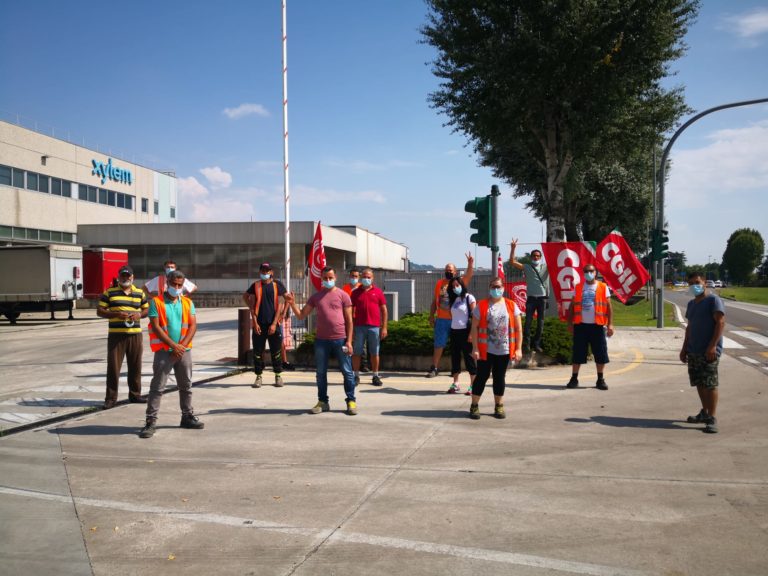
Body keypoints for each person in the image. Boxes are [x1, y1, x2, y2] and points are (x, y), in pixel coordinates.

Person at [139, 270, 204, 438]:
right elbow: (156, 327)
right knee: (157, 387)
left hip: (184, 351)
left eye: (179, 285)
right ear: (167, 283)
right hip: (164, 351)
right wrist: (173, 346)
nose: (176, 287)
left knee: (186, 386)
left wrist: (181, 347)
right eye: (174, 284)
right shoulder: (156, 302)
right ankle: (150, 421)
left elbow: (193, 326)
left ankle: (187, 416)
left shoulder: (188, 303)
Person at [285, 267, 356, 415]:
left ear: (335, 278)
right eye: (325, 278)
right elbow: (301, 315)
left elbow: (349, 320)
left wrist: (349, 341)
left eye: (330, 277)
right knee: (321, 373)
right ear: (321, 279)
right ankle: (323, 402)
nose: (328, 280)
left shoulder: (343, 295)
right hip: (321, 341)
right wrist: (292, 303)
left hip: (340, 339)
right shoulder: (316, 297)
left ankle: (351, 401)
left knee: (347, 372)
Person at [469, 277, 523, 419]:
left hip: (504, 350)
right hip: (485, 350)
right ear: (489, 288)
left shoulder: (511, 305)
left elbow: (518, 329)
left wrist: (518, 349)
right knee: (482, 377)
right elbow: (474, 327)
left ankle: (499, 406)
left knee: (499, 378)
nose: (496, 289)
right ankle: (474, 405)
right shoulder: (482, 305)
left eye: (498, 287)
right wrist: (475, 348)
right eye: (493, 287)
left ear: (503, 288)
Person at [96, 265, 149, 409]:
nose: (125, 278)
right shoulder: (110, 292)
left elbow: (146, 309)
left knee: (135, 366)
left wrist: (139, 315)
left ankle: (135, 395)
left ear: (132, 277)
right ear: (118, 277)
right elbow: (100, 311)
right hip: (116, 335)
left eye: (128, 276)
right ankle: (111, 398)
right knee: (113, 368)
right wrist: (116, 314)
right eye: (123, 276)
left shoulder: (139, 293)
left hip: (135, 335)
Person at [679, 271, 725, 434]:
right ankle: (704, 412)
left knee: (710, 384)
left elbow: (720, 323)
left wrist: (712, 346)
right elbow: (690, 327)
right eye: (691, 283)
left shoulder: (713, 300)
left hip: (708, 351)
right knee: (699, 382)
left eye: (697, 282)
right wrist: (684, 348)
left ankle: (712, 417)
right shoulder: (691, 304)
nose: (694, 286)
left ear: (705, 283)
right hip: (694, 350)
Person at [566, 264, 614, 390]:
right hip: (581, 326)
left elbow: (609, 306)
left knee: (600, 353)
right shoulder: (578, 287)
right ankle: (574, 379)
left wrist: (610, 324)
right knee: (578, 353)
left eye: (591, 271)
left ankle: (600, 379)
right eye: (586, 271)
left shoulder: (603, 287)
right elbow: (572, 306)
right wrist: (569, 323)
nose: (589, 273)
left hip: (597, 326)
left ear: (595, 272)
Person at [426, 252, 474, 378]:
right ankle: (434, 368)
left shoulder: (459, 283)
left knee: (458, 347)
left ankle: (456, 370)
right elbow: (435, 301)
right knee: (439, 344)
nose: (448, 272)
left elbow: (469, 275)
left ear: (455, 272)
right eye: (447, 270)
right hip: (441, 319)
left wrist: (470, 264)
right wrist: (431, 316)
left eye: (451, 270)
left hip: (456, 321)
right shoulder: (439, 284)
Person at [243, 263, 287, 388]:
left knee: (276, 352)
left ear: (271, 272)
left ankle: (278, 376)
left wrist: (275, 323)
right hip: (259, 324)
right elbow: (247, 299)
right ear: (259, 272)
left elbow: (282, 303)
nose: (265, 273)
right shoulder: (255, 285)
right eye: (263, 271)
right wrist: (255, 322)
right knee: (257, 352)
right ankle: (258, 376)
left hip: (274, 324)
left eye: (267, 271)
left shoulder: (277, 285)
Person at [509, 239, 549, 353]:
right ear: (531, 257)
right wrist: (513, 248)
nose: (536, 257)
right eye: (534, 256)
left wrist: (560, 247)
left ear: (540, 257)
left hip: (542, 298)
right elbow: (512, 262)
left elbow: (557, 262)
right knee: (528, 322)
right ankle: (526, 345)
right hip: (531, 298)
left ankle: (536, 344)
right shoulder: (527, 267)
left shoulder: (546, 267)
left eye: (538, 256)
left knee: (541, 323)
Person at [351, 268, 388, 387]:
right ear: (361, 278)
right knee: (356, 352)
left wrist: (384, 327)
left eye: (368, 277)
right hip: (359, 327)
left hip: (374, 327)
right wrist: (351, 328)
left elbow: (384, 310)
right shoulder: (355, 292)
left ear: (372, 278)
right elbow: (350, 311)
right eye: (364, 277)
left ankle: (375, 376)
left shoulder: (378, 292)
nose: (366, 279)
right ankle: (356, 376)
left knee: (374, 353)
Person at [447, 277, 477, 395]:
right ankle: (456, 383)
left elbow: (475, 317)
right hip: (454, 331)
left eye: (457, 285)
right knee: (455, 358)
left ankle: (473, 384)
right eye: (453, 286)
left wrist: (471, 333)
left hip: (466, 332)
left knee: (469, 358)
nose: (455, 288)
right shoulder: (453, 299)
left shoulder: (469, 298)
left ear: (462, 285)